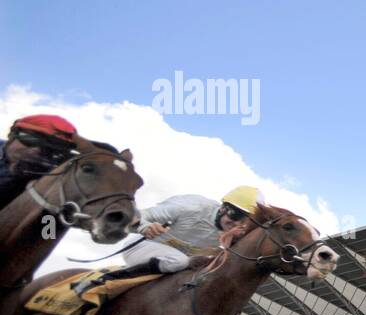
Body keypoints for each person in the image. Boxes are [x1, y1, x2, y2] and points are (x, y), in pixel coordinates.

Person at [72, 185, 262, 295]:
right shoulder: (192, 206)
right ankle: (108, 279)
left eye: (248, 222)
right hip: (142, 247)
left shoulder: (237, 234)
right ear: (223, 208)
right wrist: (145, 226)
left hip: (179, 267)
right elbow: (136, 215)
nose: (239, 225)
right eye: (237, 216)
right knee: (178, 261)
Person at [0, 114, 79, 208]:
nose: (36, 150)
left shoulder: (57, 177)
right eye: (30, 140)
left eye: (50, 150)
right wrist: (11, 175)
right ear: (12, 136)